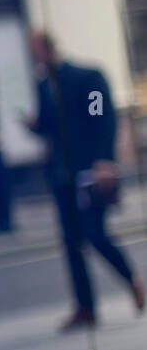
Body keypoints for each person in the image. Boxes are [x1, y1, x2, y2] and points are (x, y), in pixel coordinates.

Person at [24, 30, 144, 331]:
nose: (31, 56)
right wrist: (34, 126)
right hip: (61, 174)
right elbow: (49, 128)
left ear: (48, 48)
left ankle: (132, 279)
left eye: (34, 50)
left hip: (90, 172)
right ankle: (86, 307)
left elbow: (104, 119)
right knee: (71, 243)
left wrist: (105, 161)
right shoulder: (42, 86)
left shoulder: (86, 76)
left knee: (94, 232)